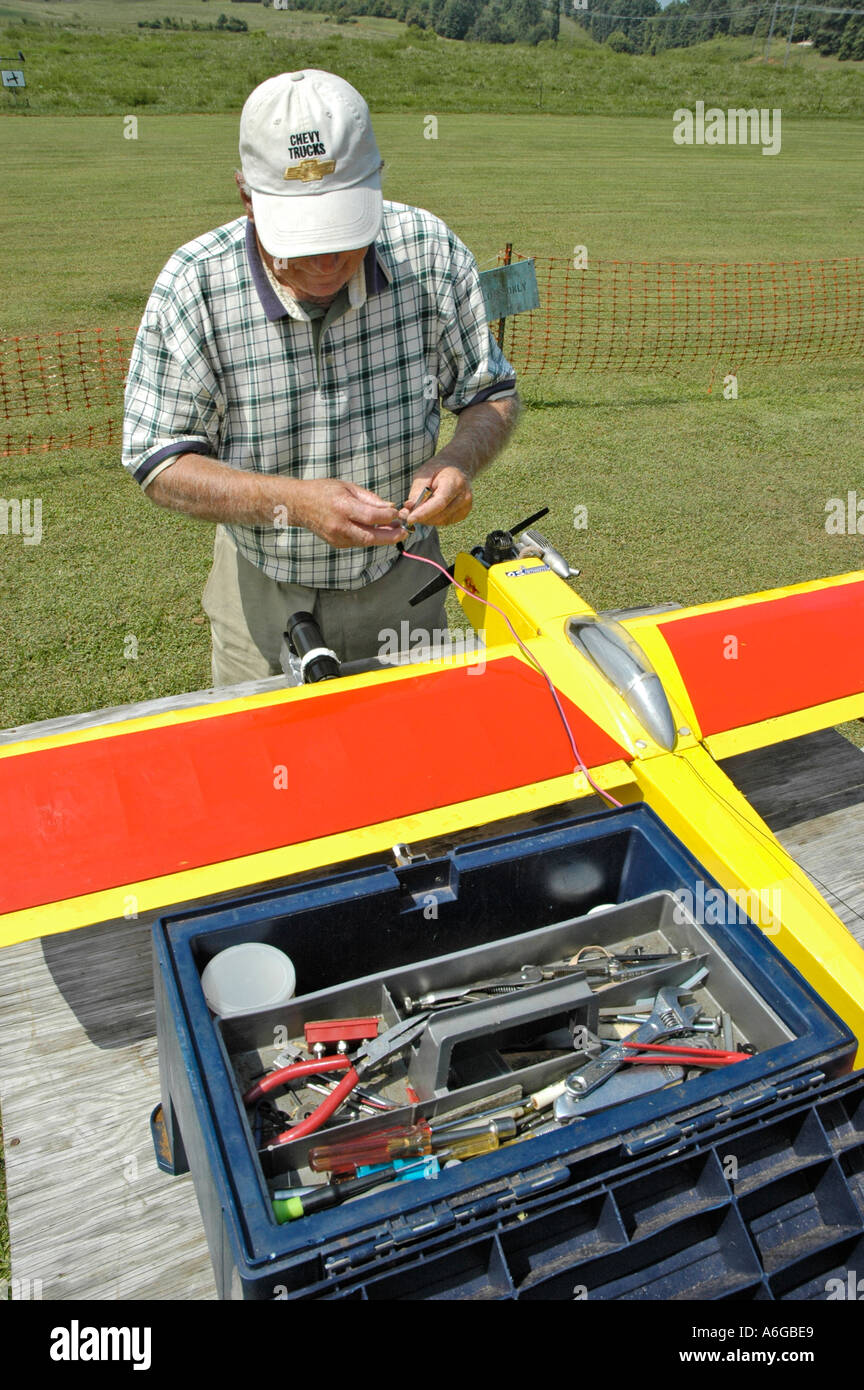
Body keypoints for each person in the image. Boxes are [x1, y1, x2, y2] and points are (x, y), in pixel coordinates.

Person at [123, 70, 519, 686]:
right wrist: (295, 503)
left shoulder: (430, 252)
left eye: (343, 233)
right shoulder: (194, 286)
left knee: (408, 765)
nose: (327, 263)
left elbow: (490, 393)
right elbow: (159, 462)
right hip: (262, 599)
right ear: (246, 196)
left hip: (405, 588)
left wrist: (458, 462)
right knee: (264, 772)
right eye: (301, 241)